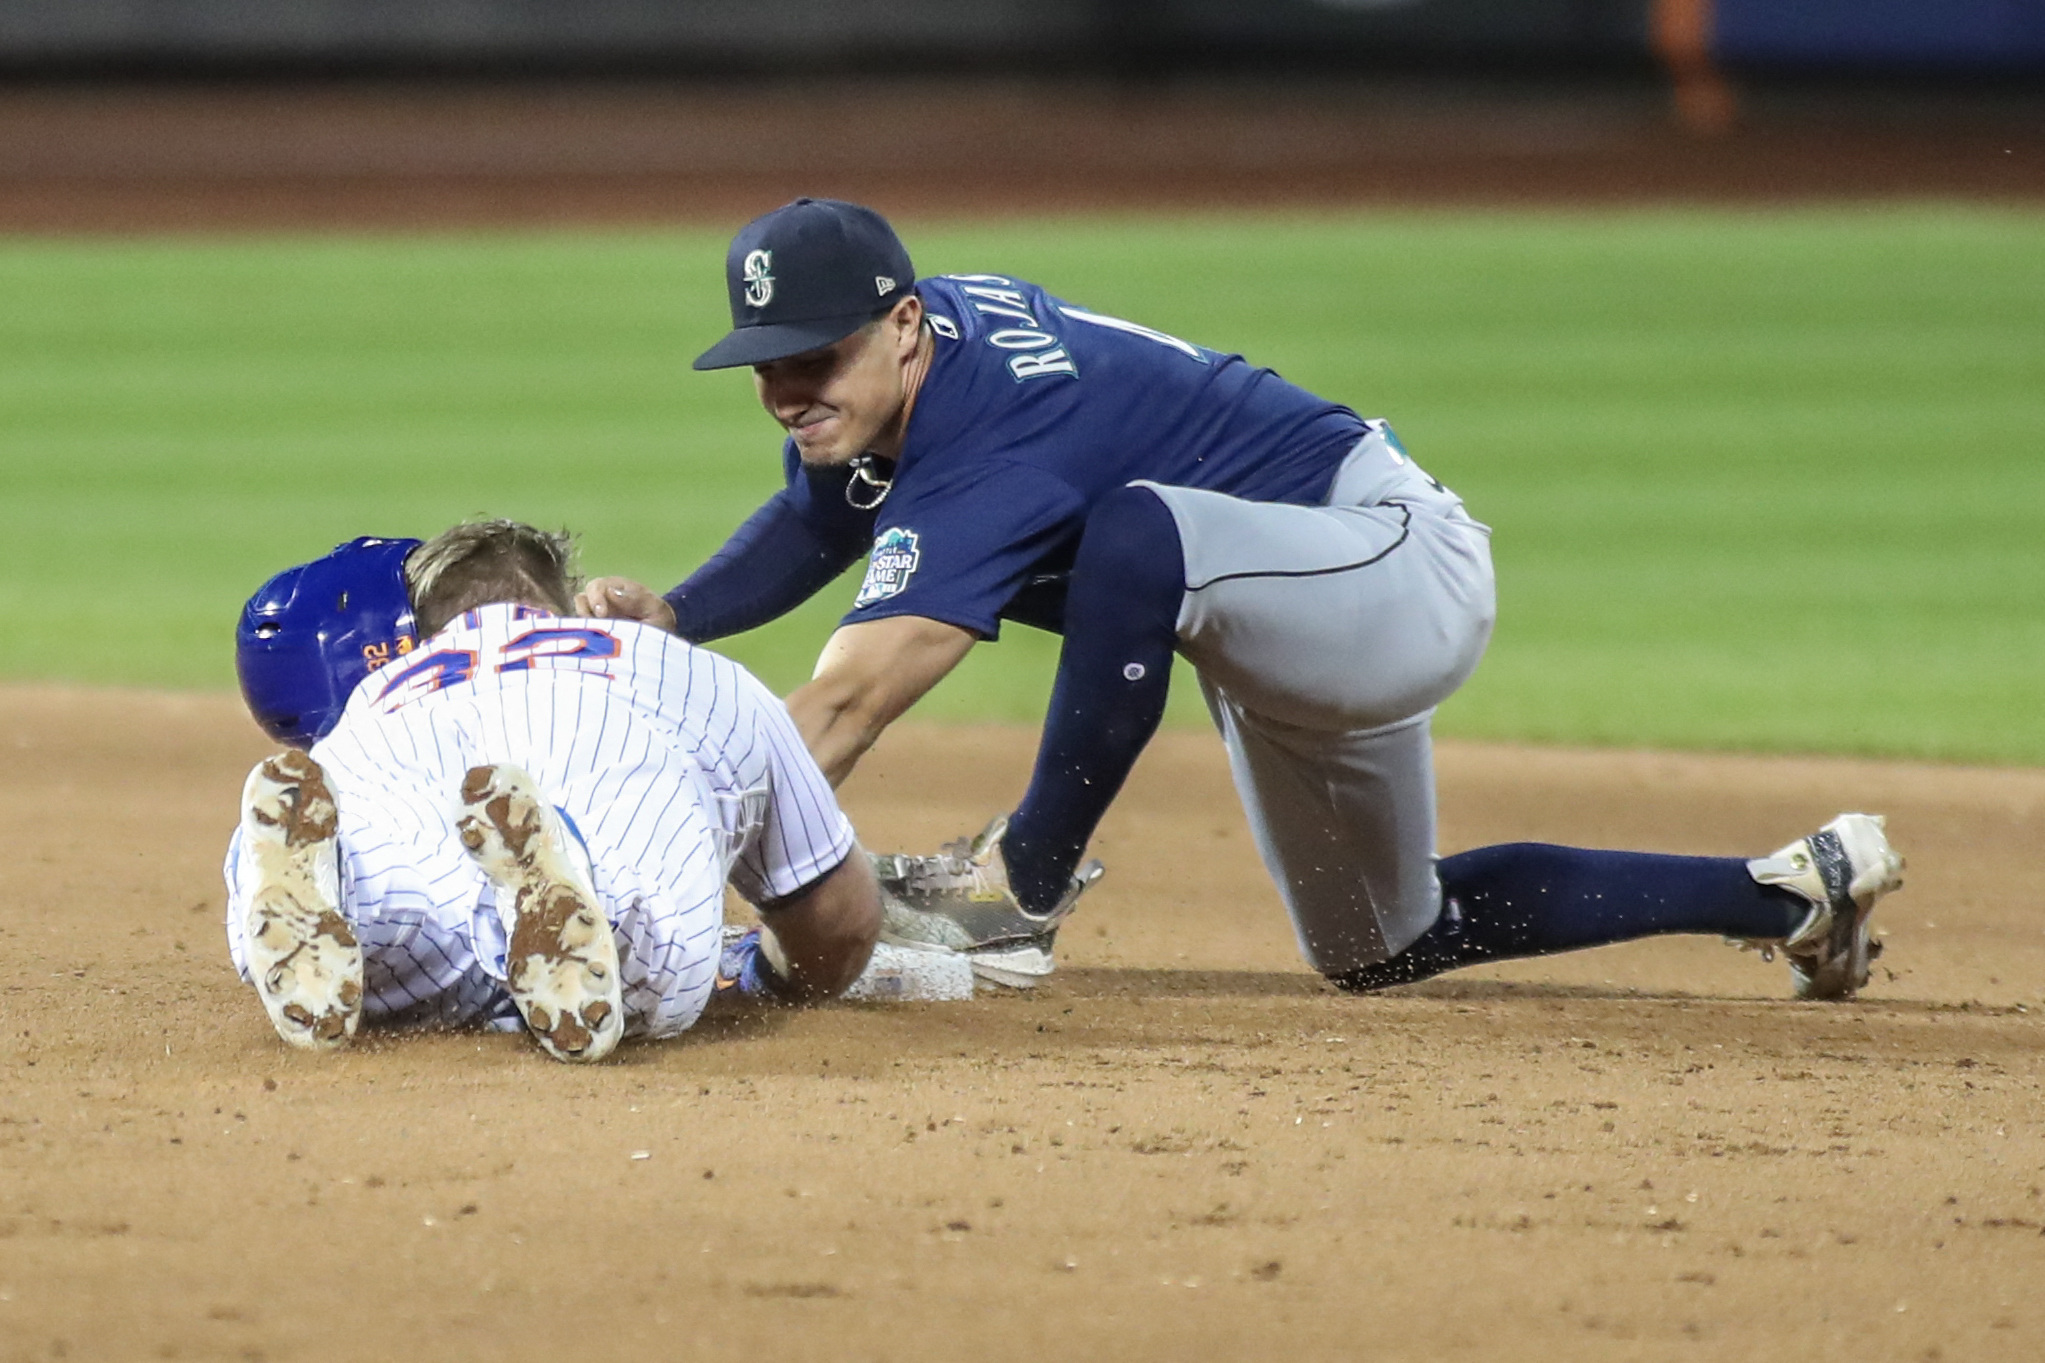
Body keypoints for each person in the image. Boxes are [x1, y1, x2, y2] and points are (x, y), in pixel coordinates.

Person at [578, 197, 1904, 999]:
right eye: (761, 364)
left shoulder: (994, 429)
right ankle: (1788, 893)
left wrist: (652, 868)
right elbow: (827, 510)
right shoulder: (904, 380)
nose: (783, 388)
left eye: (814, 356)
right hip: (1268, 597)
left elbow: (851, 696)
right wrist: (681, 616)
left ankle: (1021, 889)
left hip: (1384, 561)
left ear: (907, 326)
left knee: (1131, 533)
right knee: (1385, 939)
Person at [225, 521, 883, 1063]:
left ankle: (347, 886)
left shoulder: (376, 698)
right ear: (554, 598)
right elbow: (838, 927)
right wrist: (764, 975)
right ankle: (580, 877)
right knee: (643, 928)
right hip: (606, 753)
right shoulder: (693, 670)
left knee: (402, 891)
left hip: (388, 764)